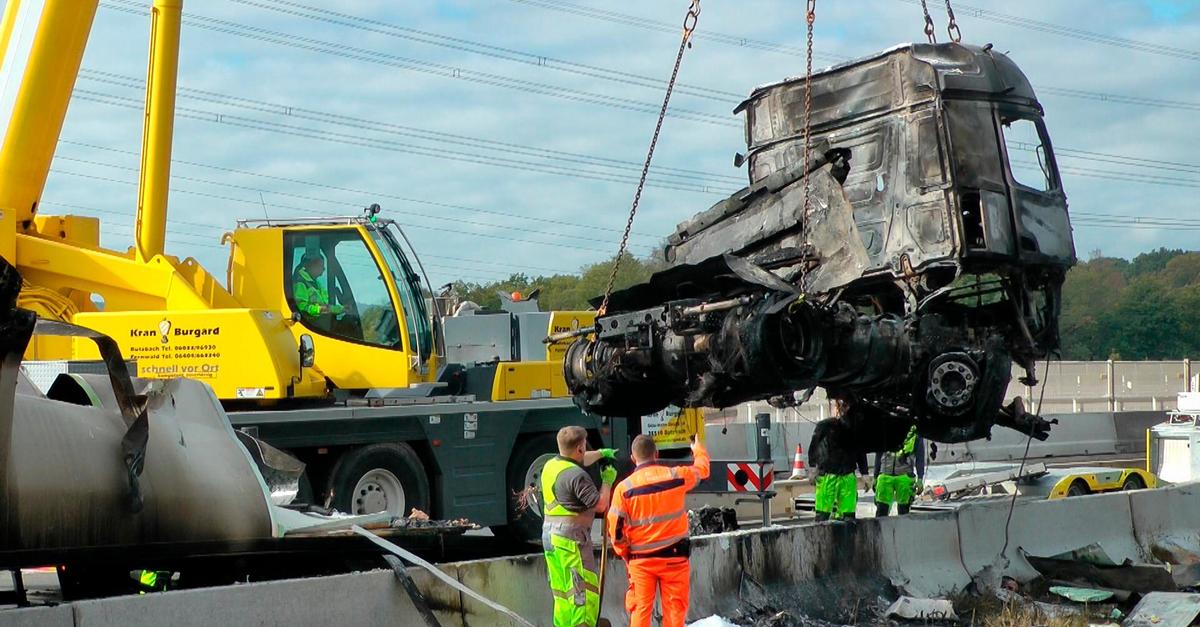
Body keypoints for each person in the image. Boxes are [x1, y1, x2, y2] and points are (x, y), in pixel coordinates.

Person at [607, 435, 710, 627]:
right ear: (656, 454)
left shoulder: (624, 488)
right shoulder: (676, 476)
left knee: (640, 611)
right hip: (674, 558)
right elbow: (702, 470)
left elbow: (615, 530)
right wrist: (698, 450)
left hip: (641, 562)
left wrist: (625, 553)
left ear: (632, 458)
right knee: (674, 610)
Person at [541, 426, 618, 627]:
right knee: (582, 593)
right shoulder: (577, 477)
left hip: (551, 539)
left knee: (562, 593)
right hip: (571, 541)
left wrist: (601, 454)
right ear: (580, 448)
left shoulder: (552, 465)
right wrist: (607, 481)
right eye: (584, 446)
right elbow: (601, 505)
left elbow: (580, 459)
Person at [808, 400, 869, 521]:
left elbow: (860, 453)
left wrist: (865, 473)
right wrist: (812, 467)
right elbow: (814, 447)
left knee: (848, 517)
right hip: (827, 476)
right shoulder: (824, 426)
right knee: (822, 516)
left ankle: (847, 538)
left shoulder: (855, 430)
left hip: (847, 476)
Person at [873, 425, 925, 517]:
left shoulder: (914, 432)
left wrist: (920, 478)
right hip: (885, 475)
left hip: (905, 476)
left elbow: (920, 456)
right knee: (881, 511)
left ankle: (903, 531)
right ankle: (881, 531)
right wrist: (875, 476)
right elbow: (879, 453)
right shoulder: (884, 428)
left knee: (904, 512)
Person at [292, 252, 344, 319]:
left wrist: (343, 308)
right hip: (310, 324)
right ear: (310, 265)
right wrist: (320, 309)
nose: (324, 268)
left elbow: (327, 307)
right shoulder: (300, 283)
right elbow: (302, 309)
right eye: (320, 265)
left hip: (321, 323)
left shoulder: (317, 284)